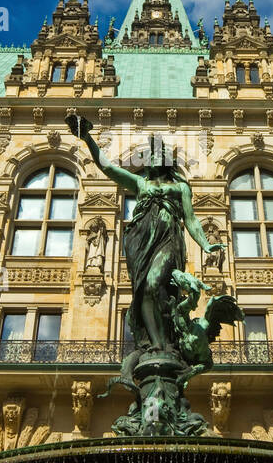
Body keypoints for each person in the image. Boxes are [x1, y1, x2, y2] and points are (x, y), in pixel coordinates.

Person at [69, 116, 224, 354]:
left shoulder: (181, 187)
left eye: (154, 156)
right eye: (149, 156)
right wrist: (87, 138)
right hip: (140, 241)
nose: (150, 159)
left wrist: (205, 244)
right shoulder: (141, 184)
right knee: (143, 290)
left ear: (164, 161)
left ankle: (163, 342)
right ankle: (155, 343)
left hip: (169, 239)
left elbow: (190, 219)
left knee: (153, 284)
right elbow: (108, 167)